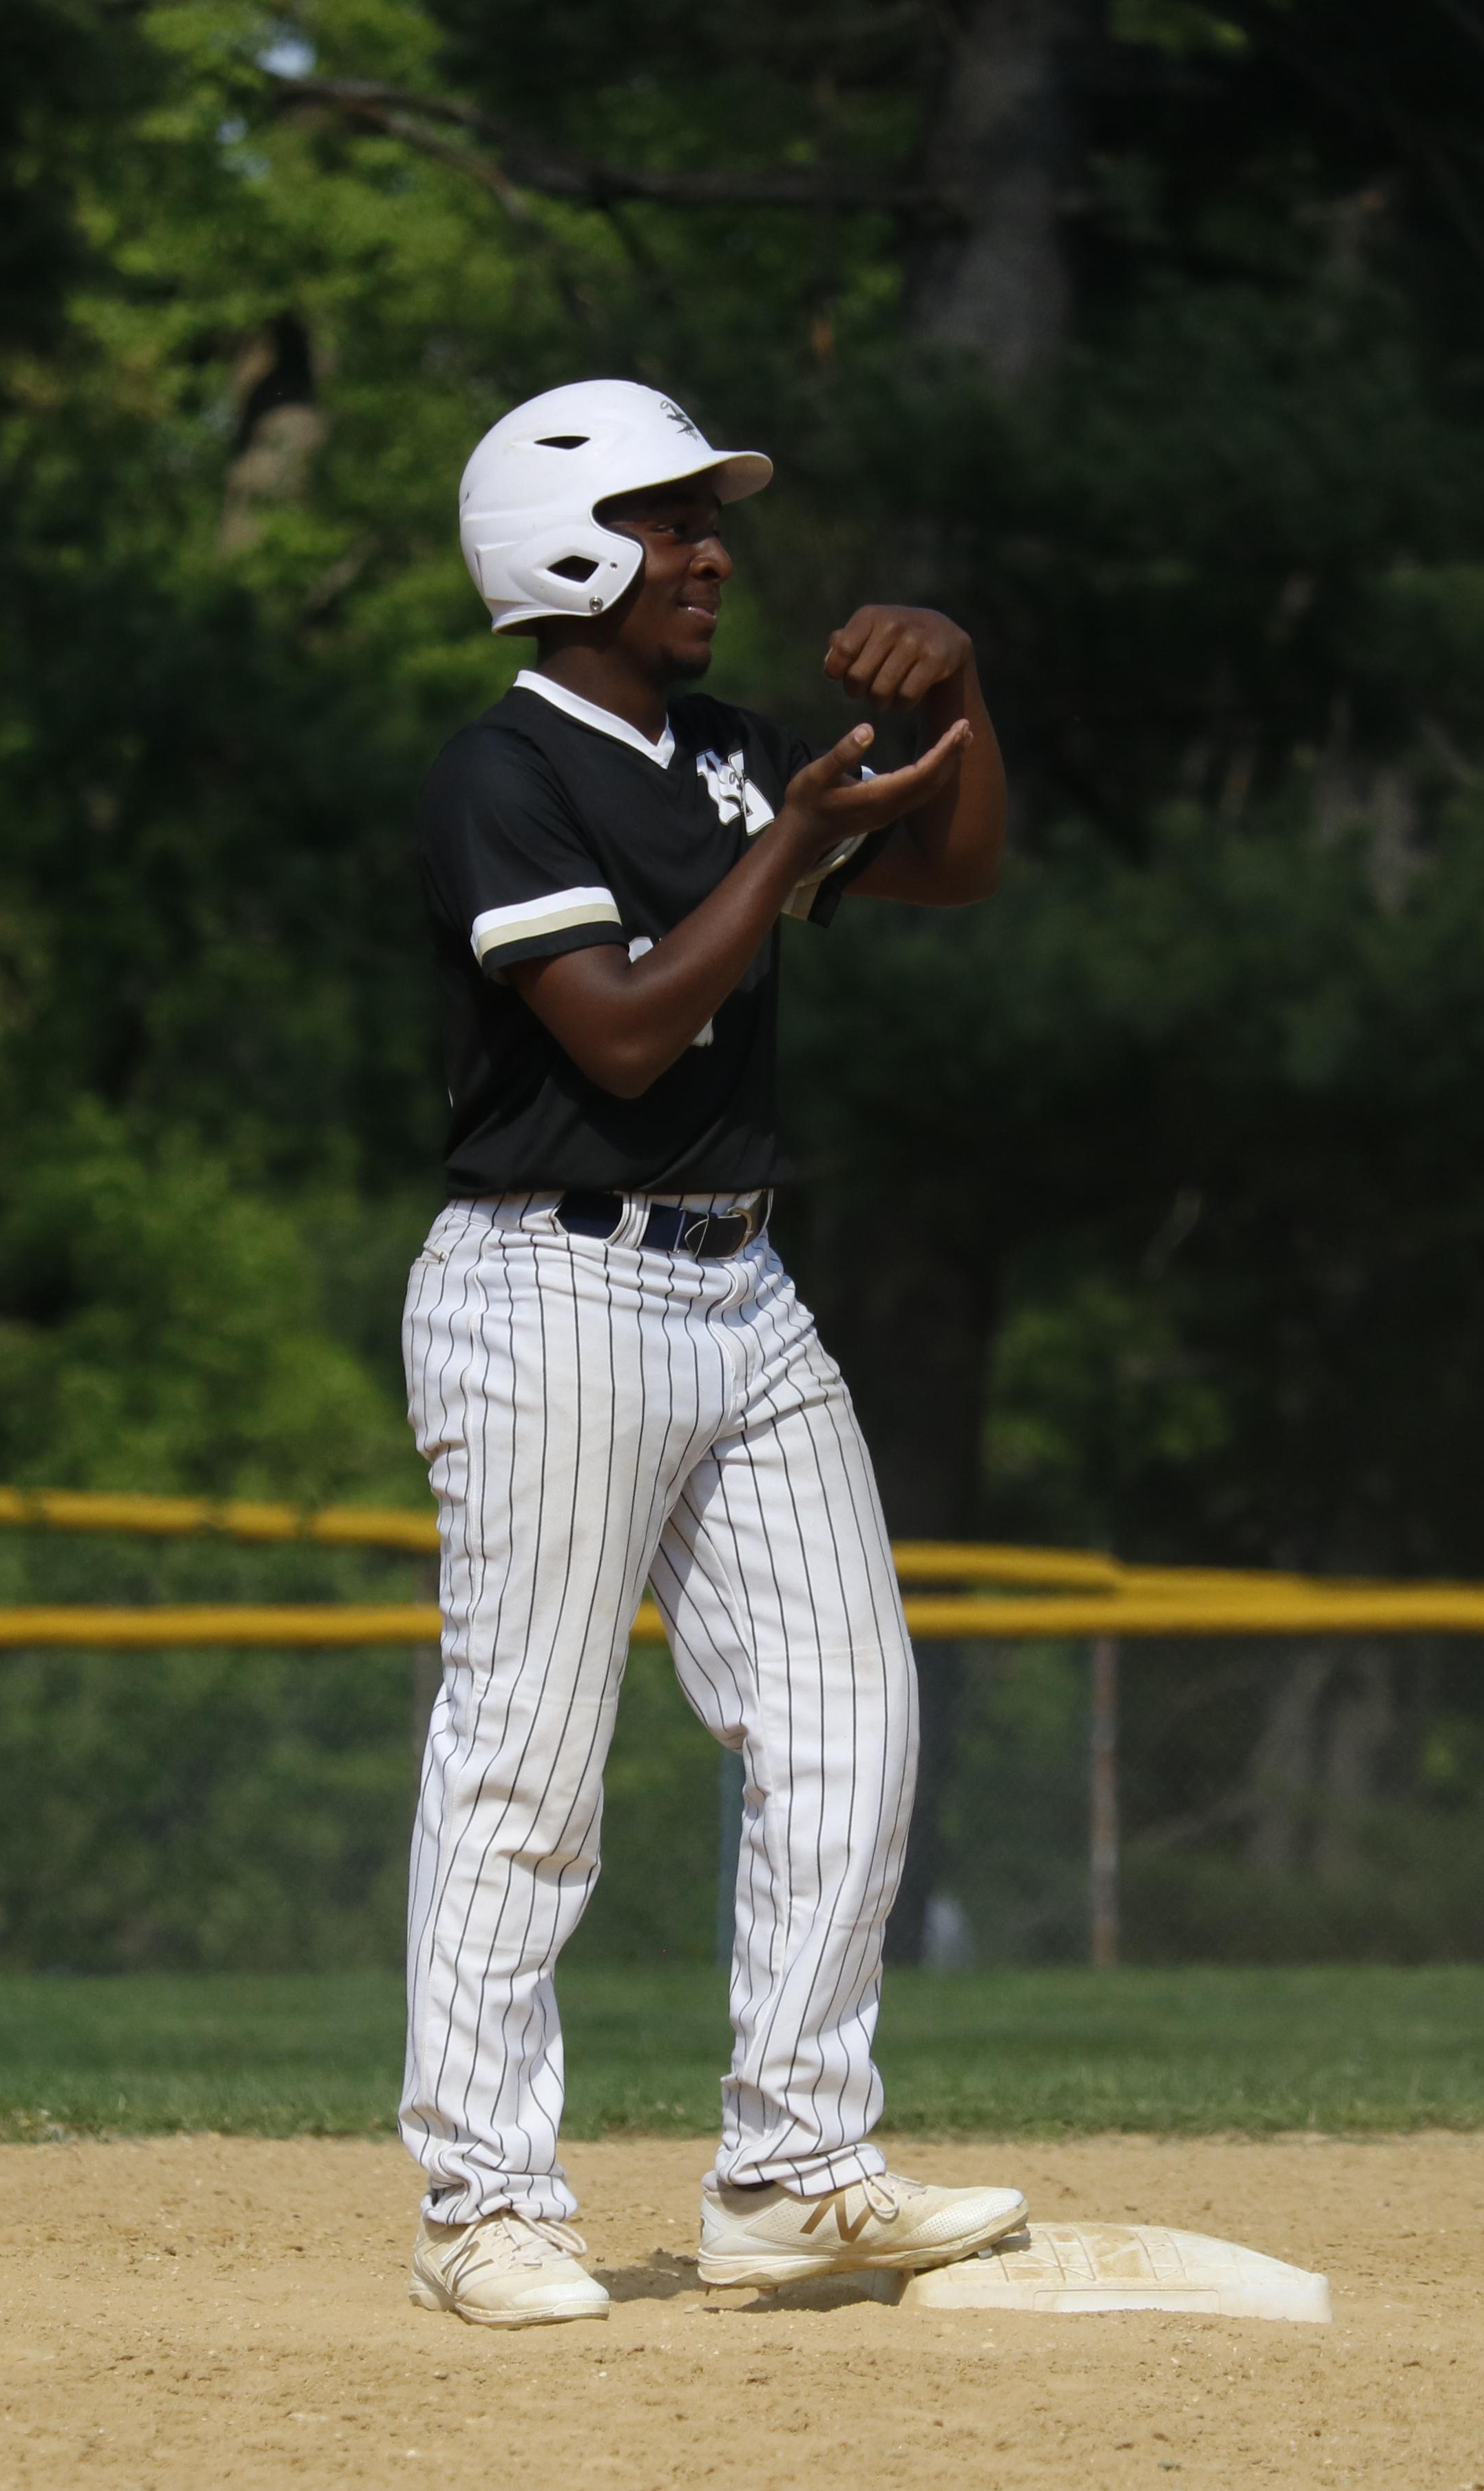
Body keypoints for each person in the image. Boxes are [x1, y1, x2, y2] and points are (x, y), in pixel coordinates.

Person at [397, 379, 1027, 2327]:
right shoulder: (511, 769)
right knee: (530, 1766)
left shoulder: (733, 752)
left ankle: (794, 2169)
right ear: (567, 548)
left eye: (710, 517)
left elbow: (954, 868)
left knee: (852, 1716)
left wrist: (959, 708)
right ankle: (484, 2207)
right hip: (550, 1287)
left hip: (740, 1284)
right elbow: (624, 1031)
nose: (711, 549)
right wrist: (792, 847)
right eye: (672, 519)